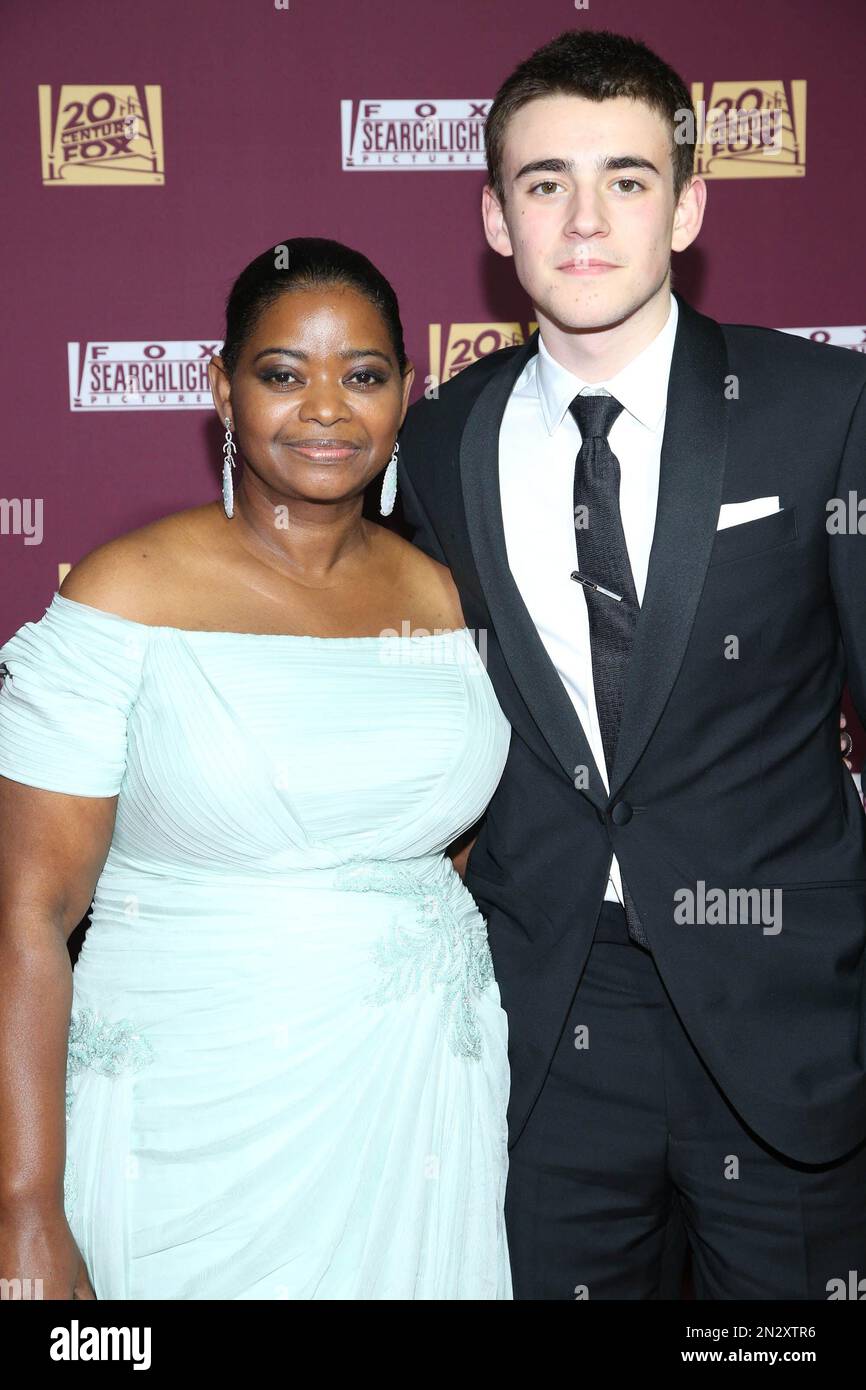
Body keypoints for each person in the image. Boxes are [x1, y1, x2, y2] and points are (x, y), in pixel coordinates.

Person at [396, 28, 866, 1299]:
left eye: (627, 177)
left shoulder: (822, 408)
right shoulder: (438, 440)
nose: (585, 219)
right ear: (495, 217)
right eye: (544, 183)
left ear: (688, 204)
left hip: (782, 1017)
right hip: (545, 1023)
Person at [0, 238, 513, 1300]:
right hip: (187, 1116)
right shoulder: (123, 594)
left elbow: (449, 852)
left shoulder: (448, 597)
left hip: (411, 1102)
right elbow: (27, 916)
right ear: (219, 390)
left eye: (362, 376)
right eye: (283, 373)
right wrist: (26, 1205)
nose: (325, 408)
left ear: (404, 394)